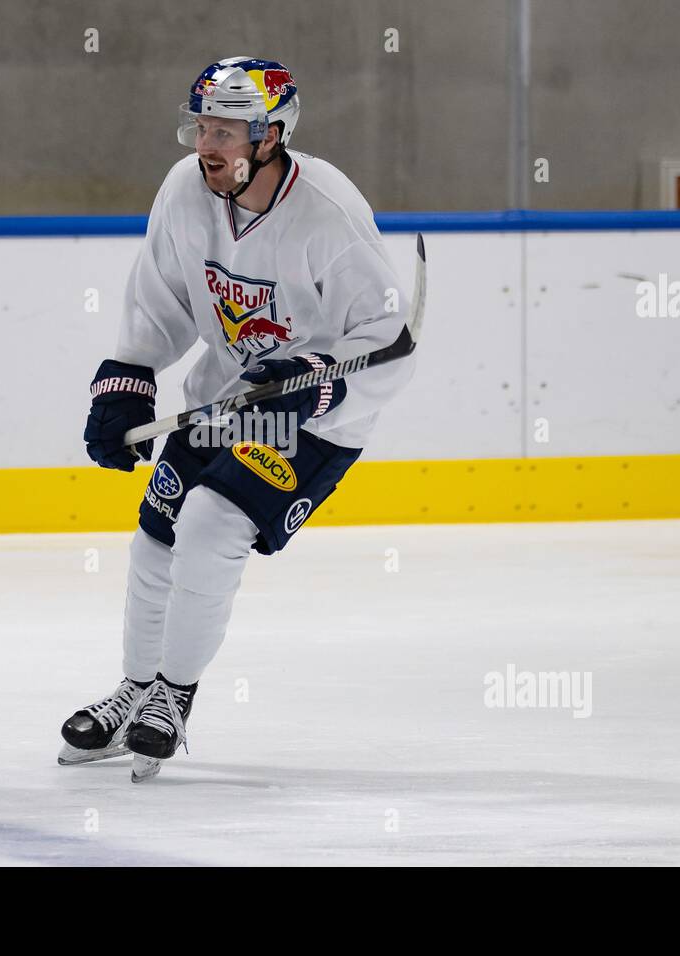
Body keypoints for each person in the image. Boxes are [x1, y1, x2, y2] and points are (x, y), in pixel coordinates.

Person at [59, 56, 416, 782]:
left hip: (313, 419)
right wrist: (128, 379)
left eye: (226, 130)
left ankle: (173, 697)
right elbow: (162, 300)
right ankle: (136, 688)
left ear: (271, 136)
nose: (206, 145)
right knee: (158, 528)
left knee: (213, 524)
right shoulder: (184, 192)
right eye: (201, 127)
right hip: (224, 394)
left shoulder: (329, 212)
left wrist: (313, 386)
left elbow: (389, 345)